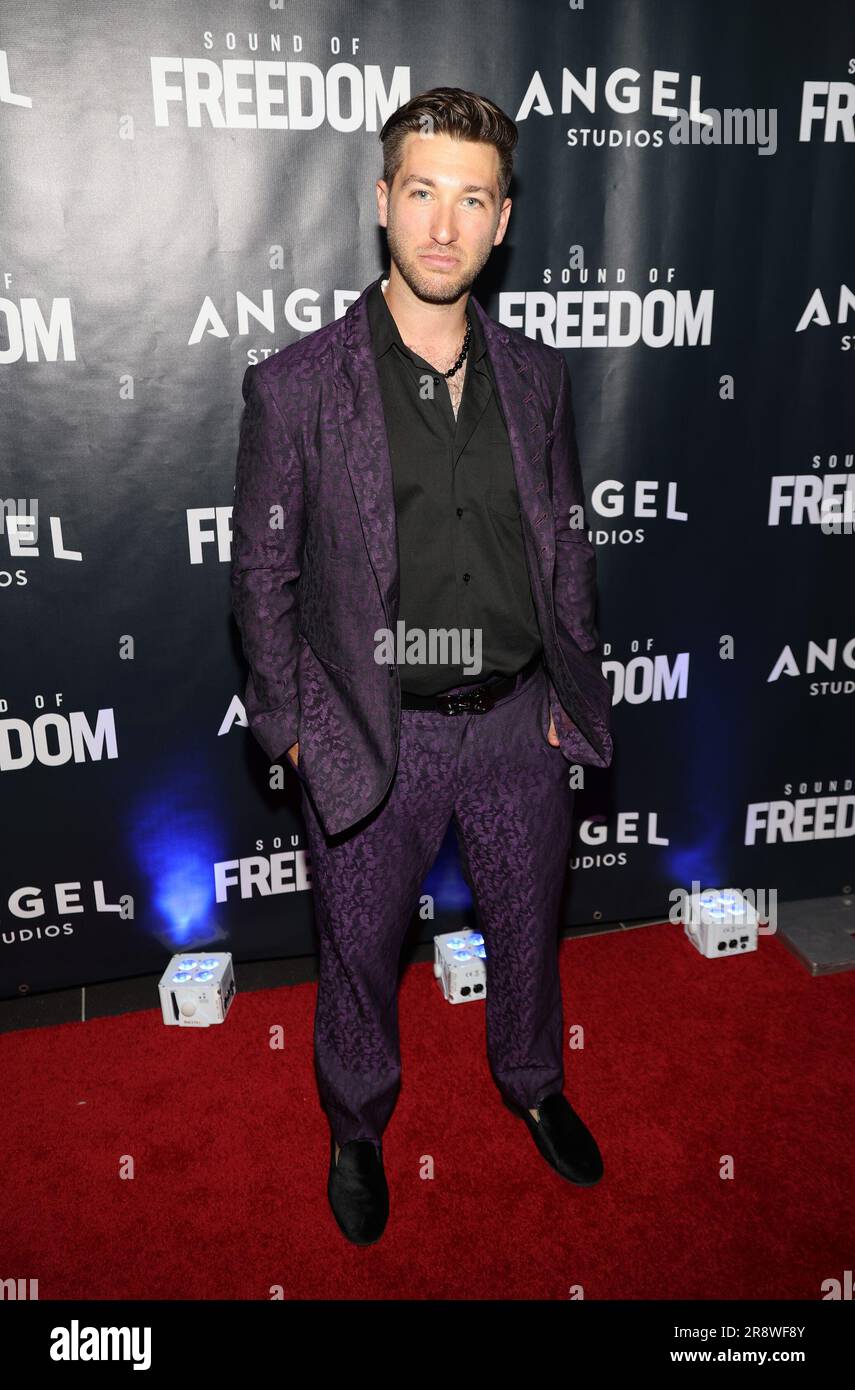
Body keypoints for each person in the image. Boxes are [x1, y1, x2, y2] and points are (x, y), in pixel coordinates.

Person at [230, 87, 614, 1246]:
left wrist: (564, 700)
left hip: (516, 727)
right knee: (355, 953)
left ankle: (534, 1081)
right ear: (382, 204)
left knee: (527, 927)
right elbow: (262, 582)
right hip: (369, 727)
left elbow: (560, 545)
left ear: (503, 222)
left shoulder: (541, 379)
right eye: (421, 193)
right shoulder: (295, 387)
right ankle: (356, 1123)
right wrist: (299, 732)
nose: (445, 226)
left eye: (473, 198)